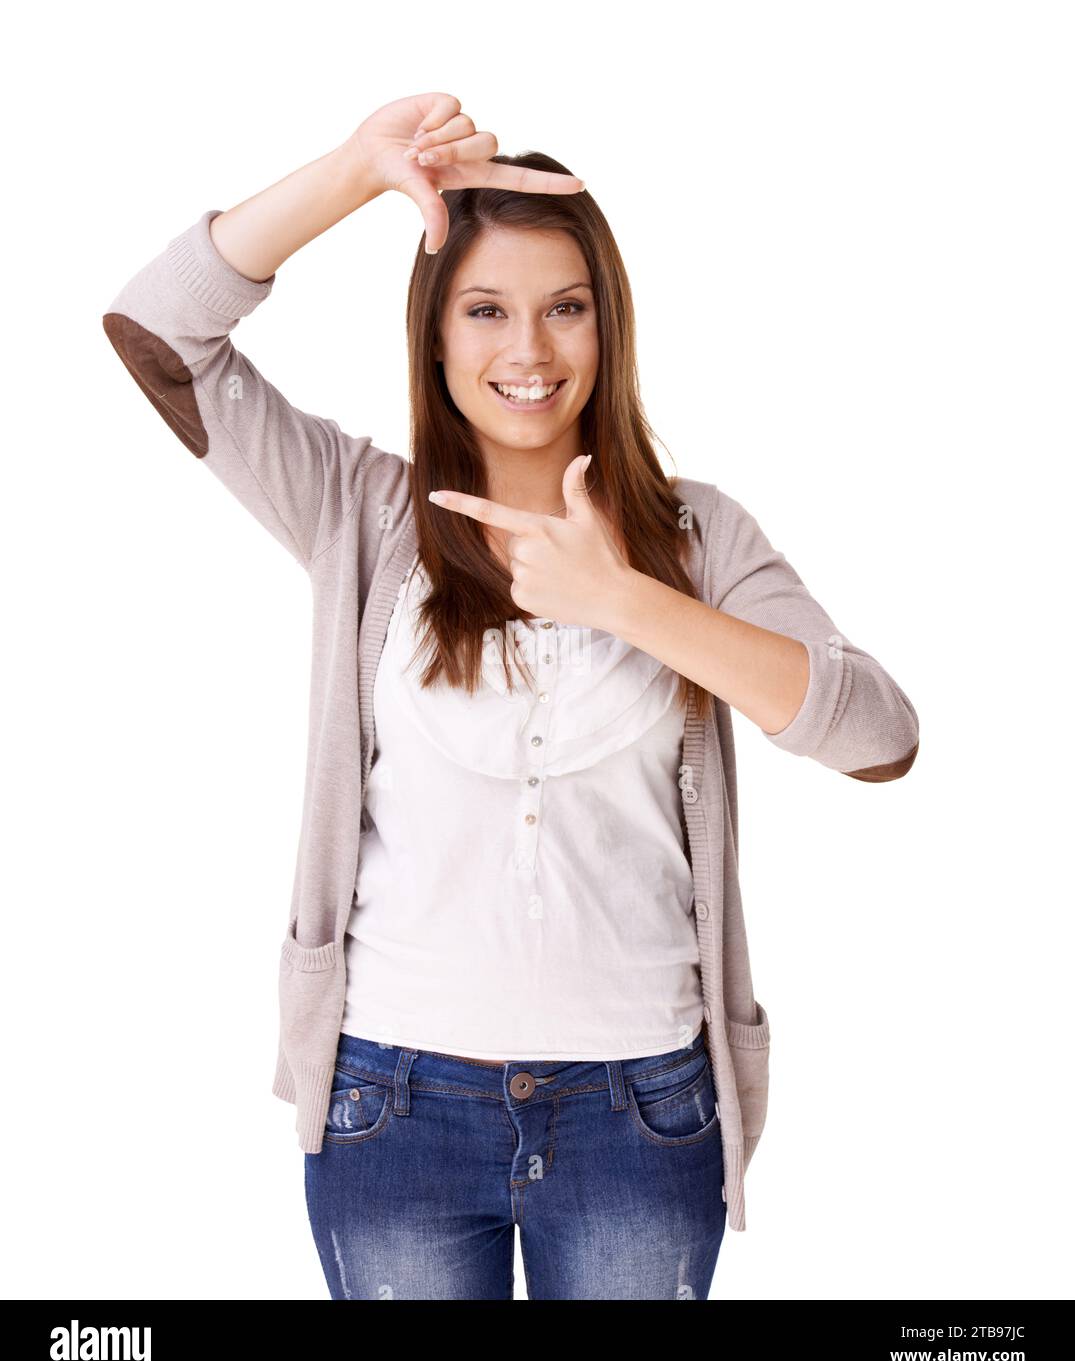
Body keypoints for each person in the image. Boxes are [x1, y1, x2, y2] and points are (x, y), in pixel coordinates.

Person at [103, 91, 920, 1300]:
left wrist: (628, 600)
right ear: (435, 339)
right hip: (395, 1105)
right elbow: (159, 330)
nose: (528, 352)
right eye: (485, 310)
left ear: (608, 329)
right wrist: (354, 171)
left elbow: (879, 737)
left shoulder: (697, 539)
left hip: (640, 1110)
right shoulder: (362, 508)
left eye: (564, 310)